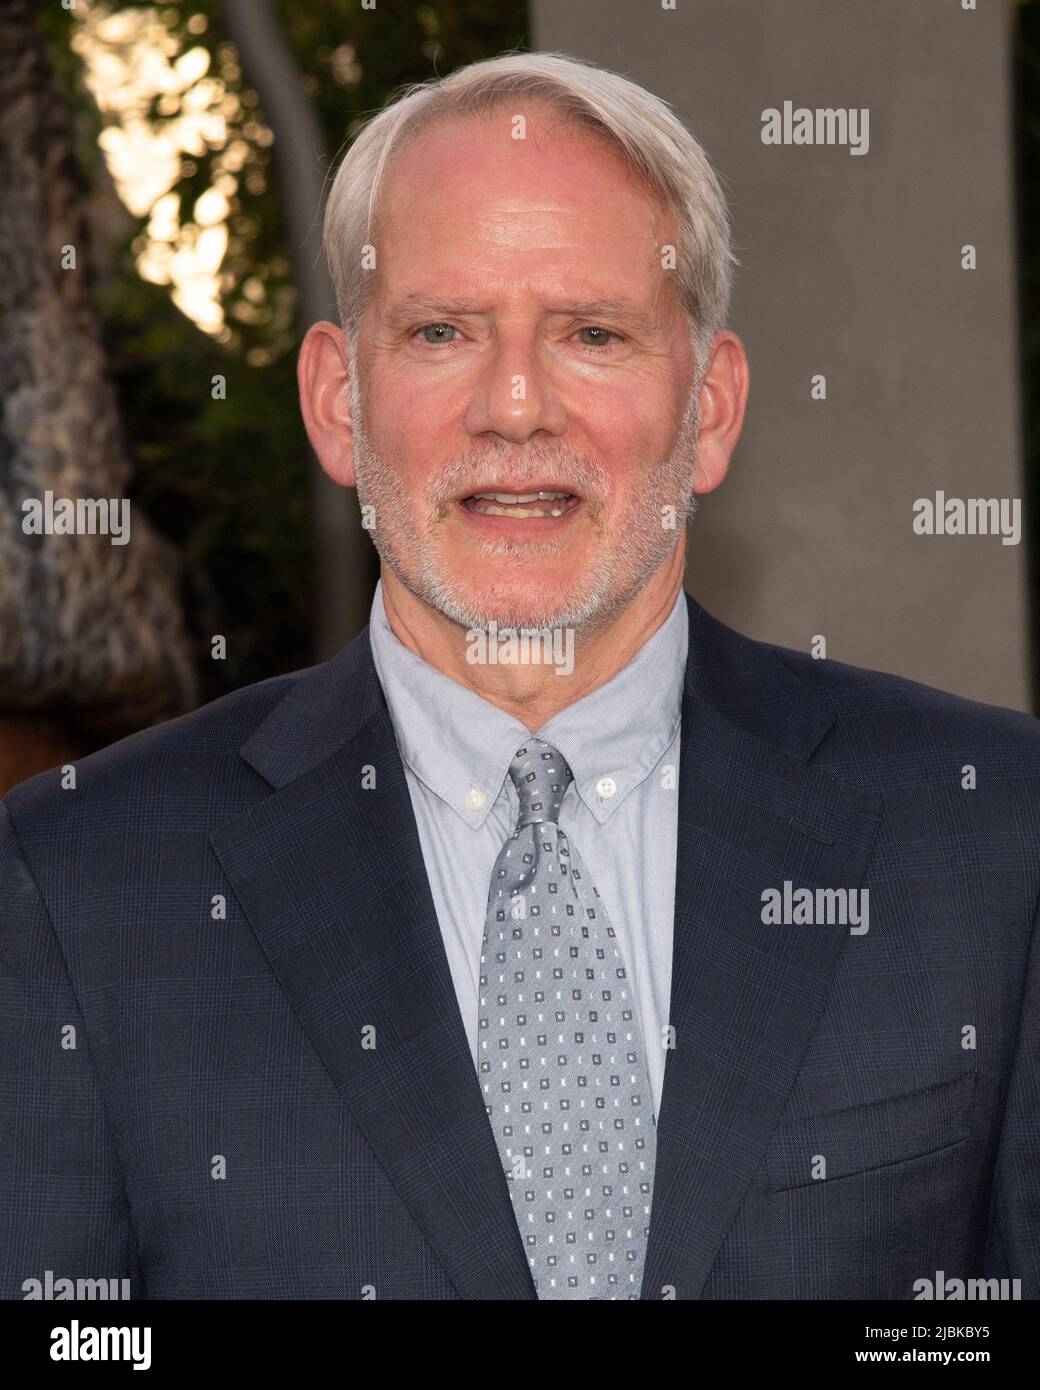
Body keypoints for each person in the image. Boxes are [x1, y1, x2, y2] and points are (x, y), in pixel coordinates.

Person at [2, 50, 1038, 1302]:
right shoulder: (70, 884)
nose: (512, 405)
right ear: (337, 401)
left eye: (591, 333)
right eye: (441, 331)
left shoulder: (991, 830)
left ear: (707, 409)